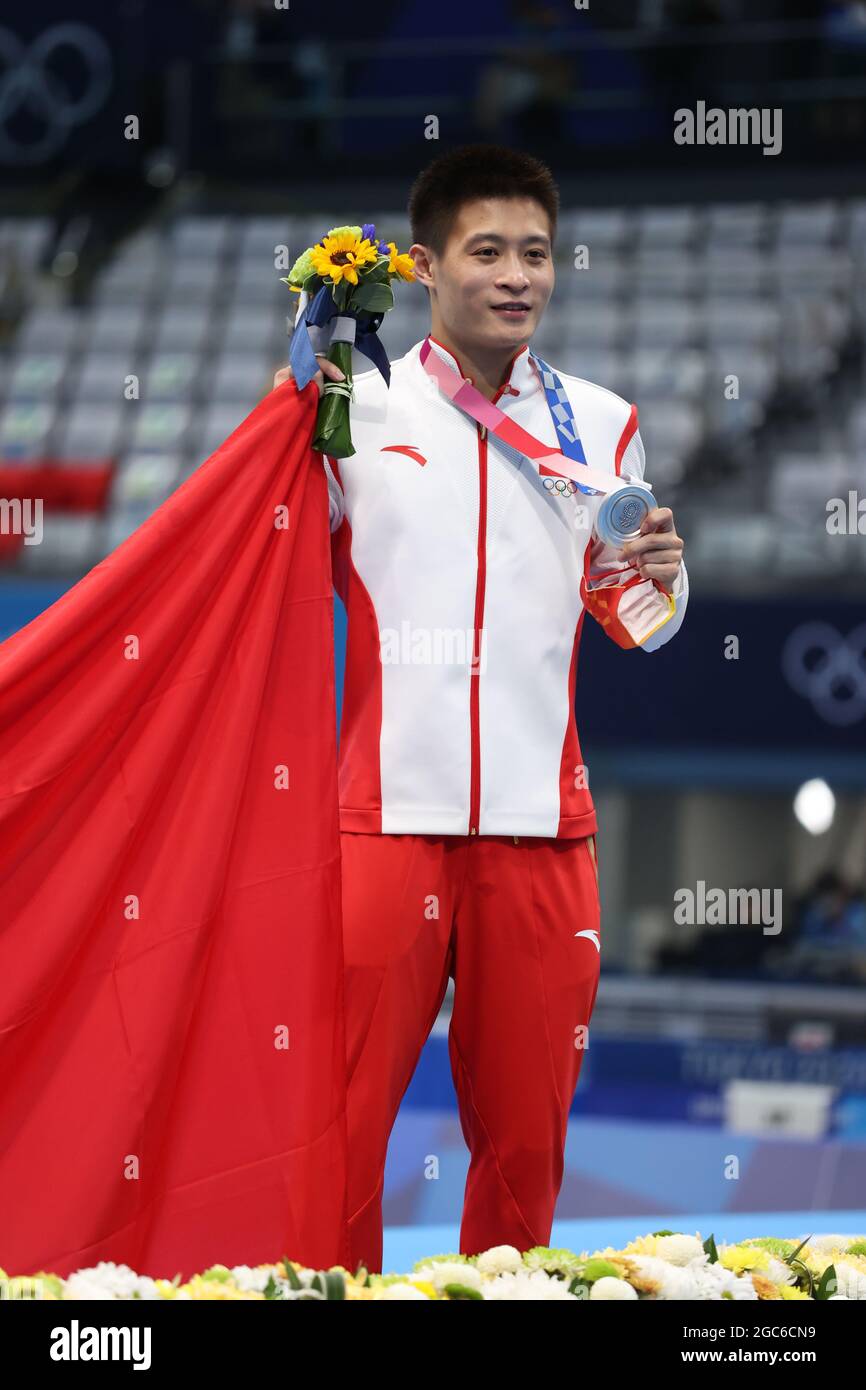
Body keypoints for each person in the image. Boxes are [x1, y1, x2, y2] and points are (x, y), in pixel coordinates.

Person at [273, 143, 688, 1272]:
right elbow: (263, 564)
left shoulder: (601, 423)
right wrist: (288, 394)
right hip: (383, 826)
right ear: (422, 265)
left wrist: (657, 574)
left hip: (540, 833)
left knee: (524, 1150)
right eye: (488, 251)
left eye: (536, 254)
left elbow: (631, 618)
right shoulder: (350, 408)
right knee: (334, 1132)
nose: (516, 276)